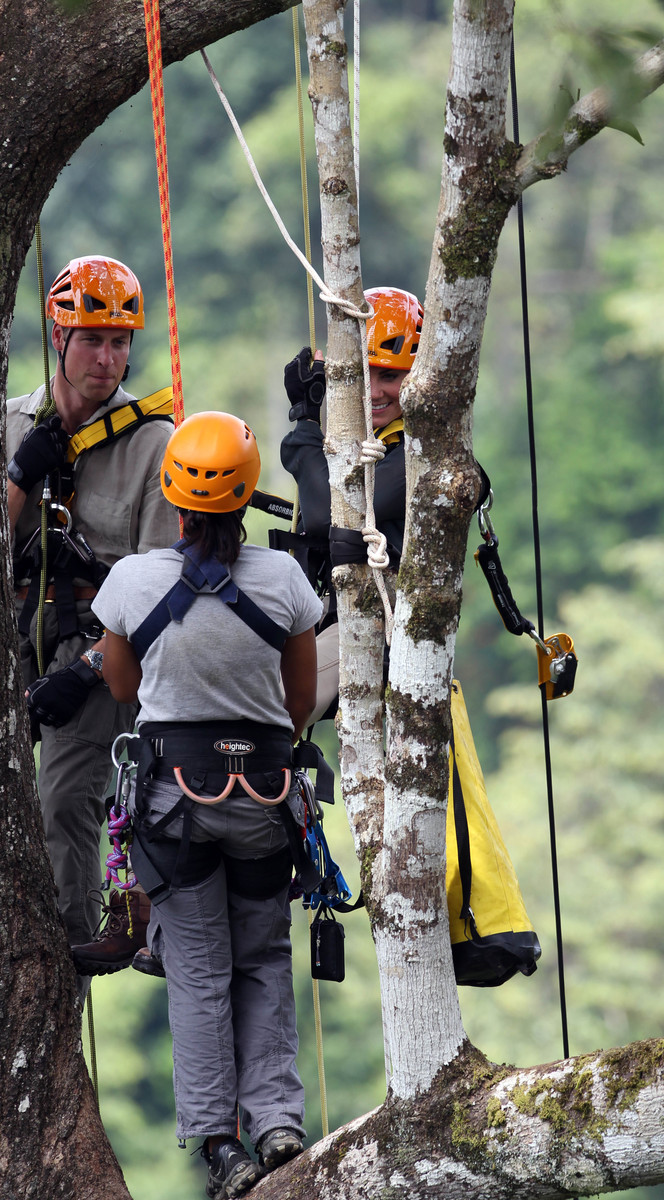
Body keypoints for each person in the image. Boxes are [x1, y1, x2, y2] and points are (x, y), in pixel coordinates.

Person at [92, 411, 321, 1197]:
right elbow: (299, 701)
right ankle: (280, 1121)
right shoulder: (285, 583)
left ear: (174, 496)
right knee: (262, 959)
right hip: (263, 797)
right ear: (249, 495)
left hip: (172, 803)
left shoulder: (133, 582)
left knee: (197, 972)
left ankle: (223, 1147)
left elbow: (122, 687)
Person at [6, 255, 179, 985]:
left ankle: (65, 955)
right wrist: (19, 476)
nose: (107, 358)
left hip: (101, 655)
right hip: (19, 642)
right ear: (58, 336)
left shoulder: (152, 443)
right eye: (91, 340)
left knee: (62, 801)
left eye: (119, 342)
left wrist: (84, 673)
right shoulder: (15, 424)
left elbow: (162, 592)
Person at [278, 285, 423, 720]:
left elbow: (328, 517)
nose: (374, 391)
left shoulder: (420, 453)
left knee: (269, 706)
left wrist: (305, 423)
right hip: (332, 617)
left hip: (375, 632)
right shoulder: (362, 442)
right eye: (363, 374)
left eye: (389, 376)